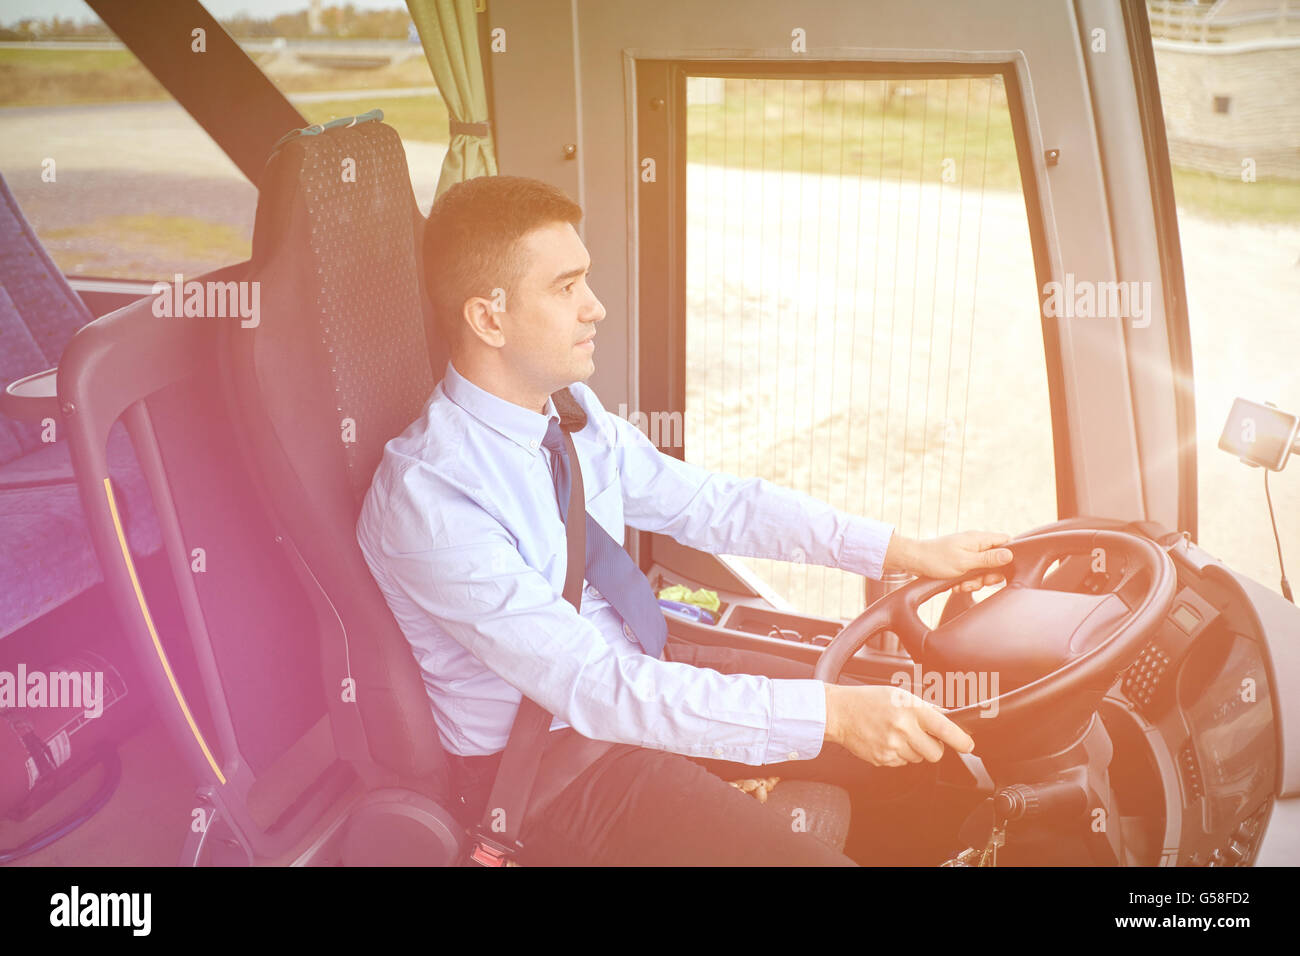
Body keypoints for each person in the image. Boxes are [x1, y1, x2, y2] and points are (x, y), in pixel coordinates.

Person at [356, 174, 1013, 865]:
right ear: (489, 319)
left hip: (643, 671)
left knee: (929, 763)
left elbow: (710, 503)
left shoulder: (569, 411)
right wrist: (833, 716)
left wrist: (903, 551)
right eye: (565, 287)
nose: (596, 307)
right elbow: (593, 688)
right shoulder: (430, 500)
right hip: (555, 769)